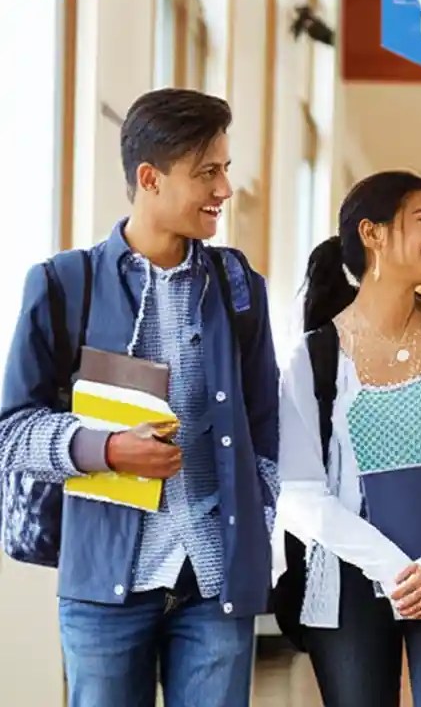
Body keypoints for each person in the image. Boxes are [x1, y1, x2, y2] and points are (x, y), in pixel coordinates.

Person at [0, 88, 279, 705]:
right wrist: (107, 449)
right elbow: (10, 432)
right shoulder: (63, 283)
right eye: (208, 172)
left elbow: (267, 430)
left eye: (226, 169)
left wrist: (257, 522)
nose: (224, 190)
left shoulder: (239, 289)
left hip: (215, 581)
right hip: (104, 586)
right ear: (149, 178)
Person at [275, 170, 421, 707]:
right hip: (352, 583)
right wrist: (396, 570)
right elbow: (299, 490)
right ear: (372, 234)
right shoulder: (313, 356)